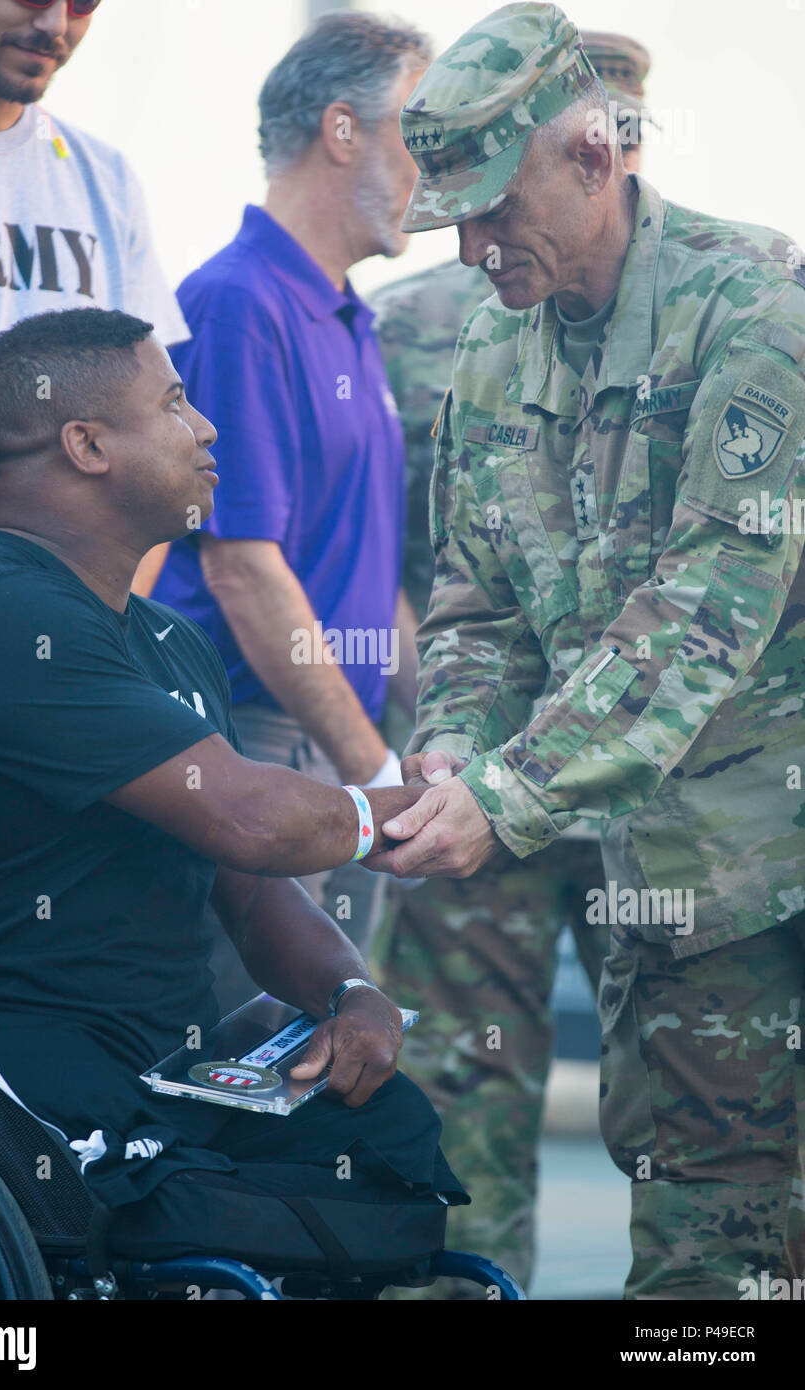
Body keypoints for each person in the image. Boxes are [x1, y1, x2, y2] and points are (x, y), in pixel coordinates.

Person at [368, 2, 805, 1300]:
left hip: (752, 863)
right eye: (451, 216)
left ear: (593, 158)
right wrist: (450, 743)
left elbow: (709, 604)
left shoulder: (757, 310)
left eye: (497, 208)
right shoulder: (495, 347)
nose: (475, 247)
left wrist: (500, 793)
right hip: (608, 827)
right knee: (577, 1165)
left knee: (727, 1234)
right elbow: (479, 605)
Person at [0, 307, 466, 1259]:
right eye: (176, 403)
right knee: (219, 1223)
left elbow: (251, 893)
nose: (205, 429)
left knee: (393, 1153)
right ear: (86, 444)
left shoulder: (169, 640)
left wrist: (349, 993)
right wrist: (423, 810)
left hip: (157, 1069)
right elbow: (251, 821)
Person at [369, 30, 652, 1293]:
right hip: (491, 779)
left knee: (695, 1103)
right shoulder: (440, 323)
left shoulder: (744, 305)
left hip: (652, 795)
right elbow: (414, 564)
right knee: (469, 1089)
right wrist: (440, 740)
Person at [137, 13, 432, 997]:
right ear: (341, 130)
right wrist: (373, 763)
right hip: (260, 741)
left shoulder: (350, 315)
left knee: (319, 1057)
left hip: (336, 740)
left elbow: (363, 567)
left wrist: (425, 743)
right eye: (417, 135)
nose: (431, 172)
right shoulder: (237, 300)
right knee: (249, 1050)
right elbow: (242, 567)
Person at [0, 0, 186, 635]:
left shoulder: (105, 178)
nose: (56, 24)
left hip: (61, 663)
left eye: (83, 5)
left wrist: (101, 638)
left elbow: (156, 426)